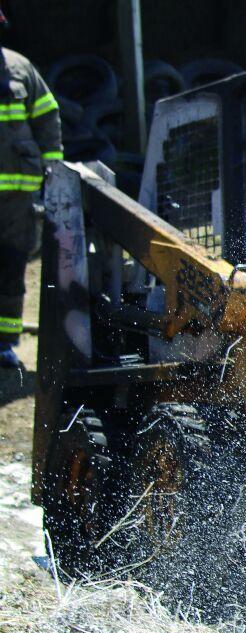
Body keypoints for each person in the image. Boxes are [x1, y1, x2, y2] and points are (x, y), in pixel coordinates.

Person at [0, 5, 63, 368]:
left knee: (11, 266)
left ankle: (4, 344)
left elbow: (47, 113)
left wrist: (53, 167)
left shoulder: (20, 69)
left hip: (16, 200)